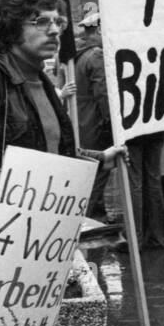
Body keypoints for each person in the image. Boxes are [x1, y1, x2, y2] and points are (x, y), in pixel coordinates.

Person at [0, 0, 126, 281]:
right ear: (11, 28)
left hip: (42, 240)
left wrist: (102, 158)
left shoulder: (42, 83)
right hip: (1, 248)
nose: (54, 31)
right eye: (41, 22)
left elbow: (50, 151)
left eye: (57, 21)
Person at [70, 12, 113, 222]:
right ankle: (88, 217)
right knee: (98, 171)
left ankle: (96, 212)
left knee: (84, 171)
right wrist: (109, 121)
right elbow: (102, 92)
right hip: (93, 120)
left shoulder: (73, 54)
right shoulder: (96, 55)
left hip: (77, 118)